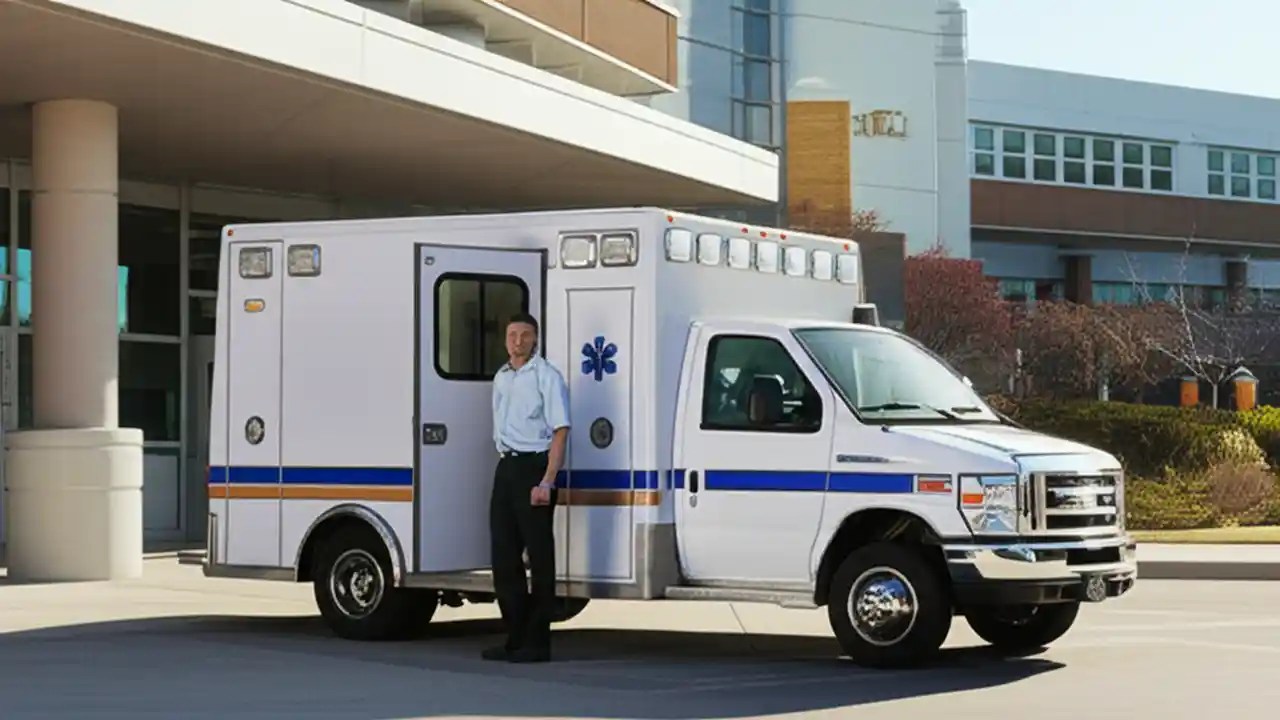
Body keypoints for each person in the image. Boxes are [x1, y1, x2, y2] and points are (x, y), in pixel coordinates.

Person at [482, 312, 570, 663]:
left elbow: (561, 430)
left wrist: (547, 481)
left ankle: (538, 641)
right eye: (512, 334)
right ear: (505, 340)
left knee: (540, 558)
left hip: (535, 467)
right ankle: (514, 636)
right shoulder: (501, 378)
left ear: (536, 340)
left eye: (525, 335)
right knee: (503, 557)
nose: (518, 341)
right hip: (507, 466)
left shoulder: (547, 377)